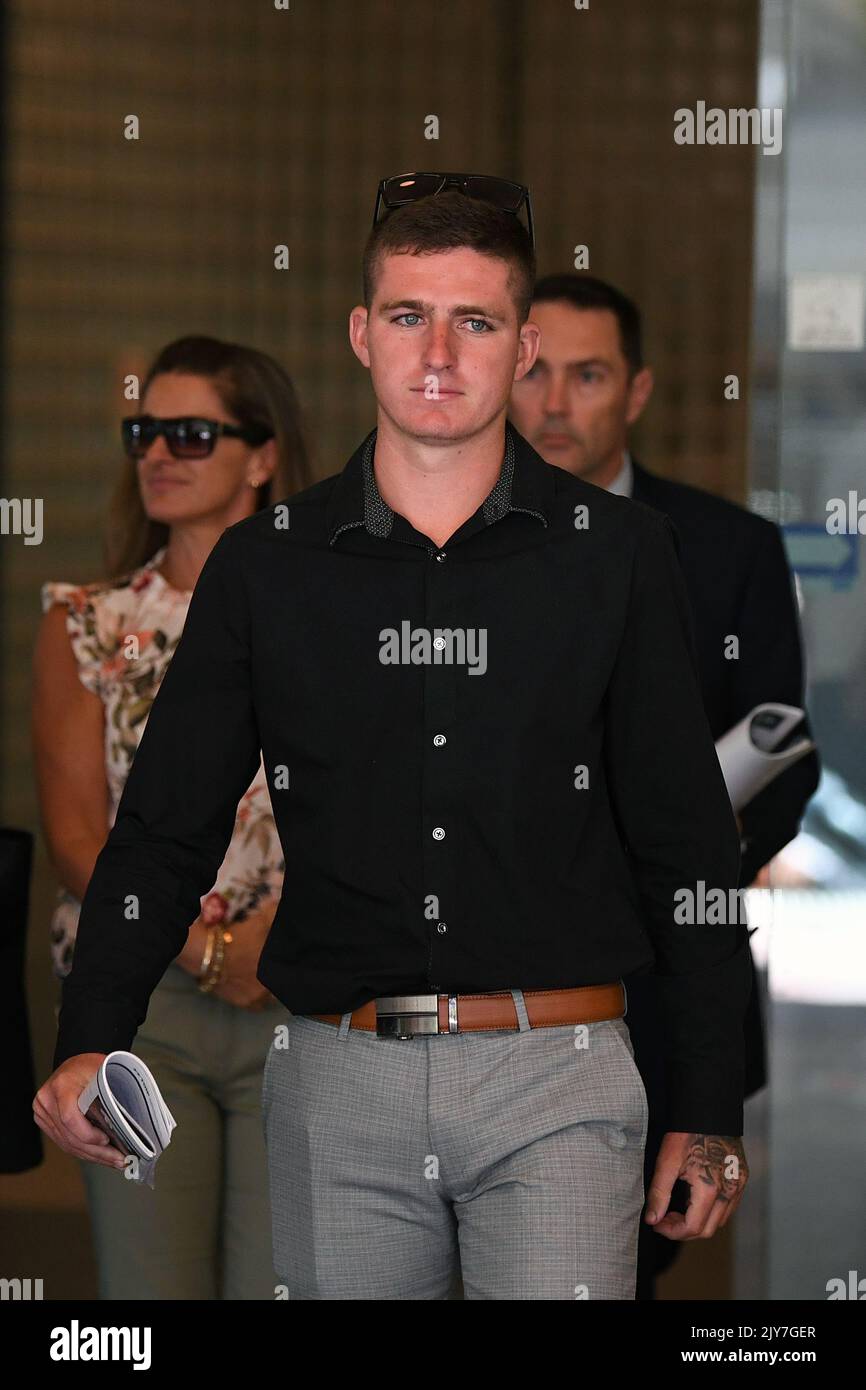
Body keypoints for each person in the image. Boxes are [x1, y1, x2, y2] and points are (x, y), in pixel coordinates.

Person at [34, 176, 752, 1301]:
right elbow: (167, 822)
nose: (437, 351)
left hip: (557, 1077)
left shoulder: (615, 555)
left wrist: (708, 1108)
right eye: (409, 314)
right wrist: (92, 1033)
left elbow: (685, 844)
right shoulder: (267, 566)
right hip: (336, 1079)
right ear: (362, 334)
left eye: (474, 320)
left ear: (518, 347)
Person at [509, 273, 820, 1297]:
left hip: (659, 981)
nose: (555, 402)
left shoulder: (727, 548)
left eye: (585, 374)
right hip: (471, 985)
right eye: (535, 371)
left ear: (635, 393)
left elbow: (784, 756)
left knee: (612, 1273)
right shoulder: (443, 544)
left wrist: (680, 849)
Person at [31, 335, 313, 1299]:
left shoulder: (329, 615)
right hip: (142, 1005)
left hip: (302, 1001)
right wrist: (211, 956)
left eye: (192, 434)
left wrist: (272, 946)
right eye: (144, 431)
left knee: (278, 1287)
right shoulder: (86, 618)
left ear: (263, 455)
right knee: (150, 1302)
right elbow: (77, 837)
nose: (158, 452)